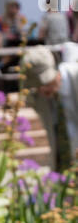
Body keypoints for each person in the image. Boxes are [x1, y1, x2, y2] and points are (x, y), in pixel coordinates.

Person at [20, 44, 78, 172]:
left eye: (45, 83)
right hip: (63, 161)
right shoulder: (38, 96)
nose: (42, 89)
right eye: (36, 85)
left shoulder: (75, 76)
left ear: (56, 68)